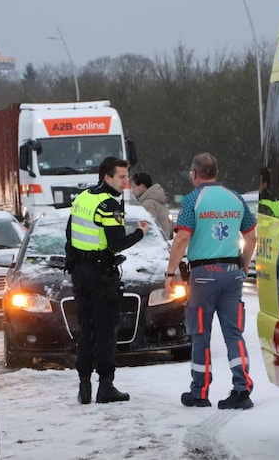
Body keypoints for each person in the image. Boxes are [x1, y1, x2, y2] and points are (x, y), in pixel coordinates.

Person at [164, 153, 257, 409]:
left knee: (200, 334)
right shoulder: (235, 198)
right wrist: (244, 265)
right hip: (231, 272)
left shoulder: (194, 200)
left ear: (195, 173)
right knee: (234, 334)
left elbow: (182, 238)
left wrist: (170, 273)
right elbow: (251, 236)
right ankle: (242, 390)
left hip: (203, 276)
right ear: (216, 172)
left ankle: (200, 392)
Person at [65, 156, 149, 404]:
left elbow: (70, 234)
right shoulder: (109, 204)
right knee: (105, 331)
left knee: (85, 329)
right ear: (107, 177)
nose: (126, 181)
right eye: (121, 177)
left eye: (127, 176)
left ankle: (84, 386)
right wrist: (140, 233)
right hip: (101, 275)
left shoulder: (83, 198)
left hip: (81, 272)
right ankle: (105, 386)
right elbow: (116, 244)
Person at [131, 172, 173, 238]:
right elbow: (170, 225)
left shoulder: (148, 204)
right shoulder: (159, 200)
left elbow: (147, 229)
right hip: (163, 242)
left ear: (142, 187)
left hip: (153, 244)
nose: (132, 190)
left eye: (133, 187)